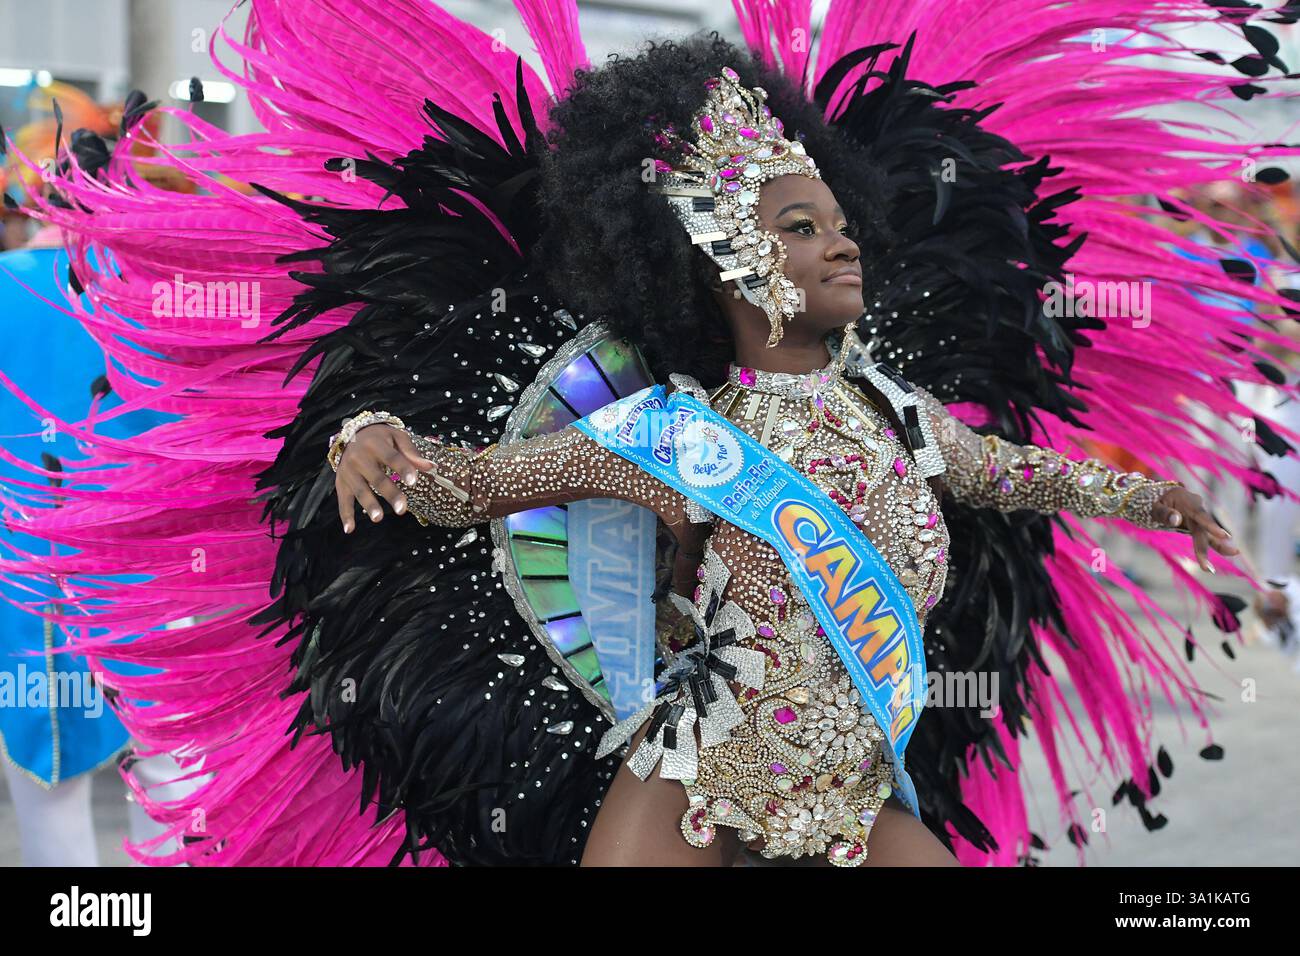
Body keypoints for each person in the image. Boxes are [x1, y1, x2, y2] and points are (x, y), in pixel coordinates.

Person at [2, 0, 1293, 868]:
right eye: (800, 225)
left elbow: (1008, 470)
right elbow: (472, 486)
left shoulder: (899, 413)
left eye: (838, 215)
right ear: (728, 265)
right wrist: (379, 440)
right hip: (694, 784)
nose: (840, 235)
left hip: (860, 790)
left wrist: (1152, 499)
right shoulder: (670, 436)